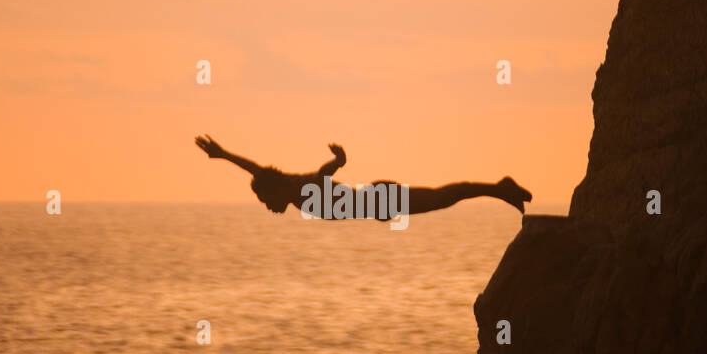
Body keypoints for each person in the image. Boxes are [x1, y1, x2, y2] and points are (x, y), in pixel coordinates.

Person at [195, 134, 532, 218]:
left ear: (275, 191)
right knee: (444, 198)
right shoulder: (294, 192)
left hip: (381, 199)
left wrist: (337, 162)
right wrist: (223, 155)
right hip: (379, 205)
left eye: (263, 199)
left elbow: (320, 175)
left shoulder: (301, 191)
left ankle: (500, 188)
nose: (265, 205)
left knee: (444, 197)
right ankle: (499, 190)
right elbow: (262, 172)